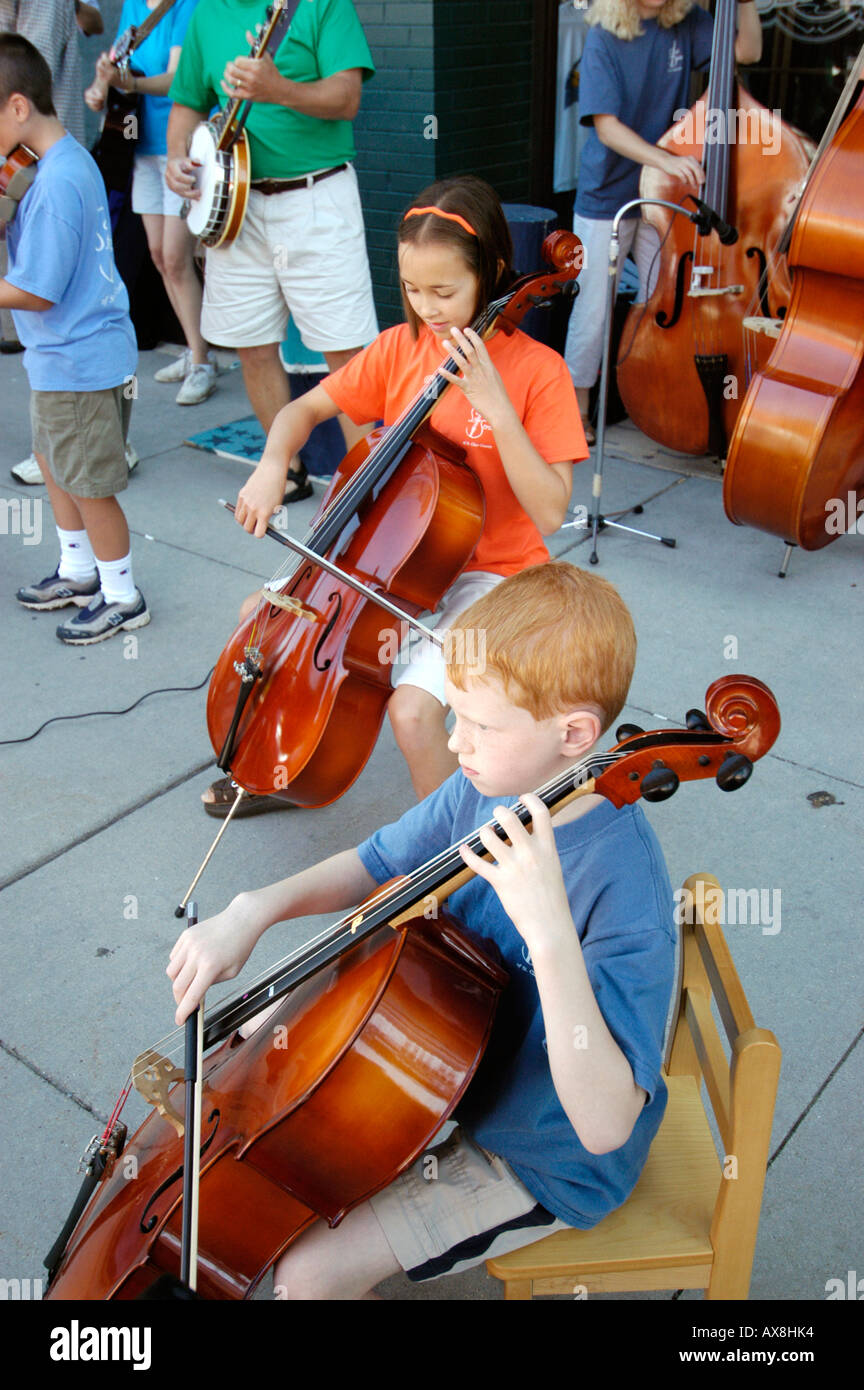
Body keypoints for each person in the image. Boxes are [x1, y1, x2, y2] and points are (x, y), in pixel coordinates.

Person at [169, 561, 676, 1296]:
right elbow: (374, 862)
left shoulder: (626, 892)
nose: (455, 742)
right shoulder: (484, 789)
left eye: (479, 724)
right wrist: (254, 908)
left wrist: (549, 932)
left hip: (540, 1154)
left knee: (303, 1276)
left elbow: (604, 1125)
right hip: (451, 1075)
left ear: (574, 734)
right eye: (454, 714)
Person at [201, 174, 588, 817]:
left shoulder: (539, 372)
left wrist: (495, 404)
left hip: (492, 577)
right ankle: (283, 764)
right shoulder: (398, 348)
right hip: (391, 566)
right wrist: (272, 464)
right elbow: (303, 412)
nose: (428, 308)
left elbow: (552, 509)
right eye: (413, 289)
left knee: (412, 713)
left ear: (492, 273)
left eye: (445, 290)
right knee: (259, 624)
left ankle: (453, 854)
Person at [164, 0, 379, 499]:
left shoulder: (322, 5)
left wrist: (277, 89)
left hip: (316, 196)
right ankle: (286, 469)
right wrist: (177, 158)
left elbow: (347, 99)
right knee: (253, 344)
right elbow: (187, 103)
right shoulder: (207, 13)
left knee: (345, 351)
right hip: (234, 203)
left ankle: (370, 489)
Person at [2, 34, 149, 644]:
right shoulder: (50, 166)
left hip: (82, 359)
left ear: (16, 109)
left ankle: (122, 595)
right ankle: (78, 571)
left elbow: (38, 291)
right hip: (58, 359)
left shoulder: (57, 181)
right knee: (57, 467)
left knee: (91, 486)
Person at [563, 0, 762, 443]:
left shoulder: (685, 23)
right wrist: (665, 160)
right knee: (593, 306)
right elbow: (606, 126)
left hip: (665, 194)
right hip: (608, 192)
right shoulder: (603, 36)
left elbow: (746, 53)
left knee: (662, 302)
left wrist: (745, 3)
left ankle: (647, 393)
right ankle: (576, 407)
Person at [85, 0, 215, 405]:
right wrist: (101, 86)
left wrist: (130, 83)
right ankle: (196, 350)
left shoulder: (186, 7)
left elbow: (180, 79)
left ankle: (201, 361)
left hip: (178, 146)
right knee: (159, 255)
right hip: (138, 143)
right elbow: (115, 60)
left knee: (176, 256)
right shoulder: (131, 8)